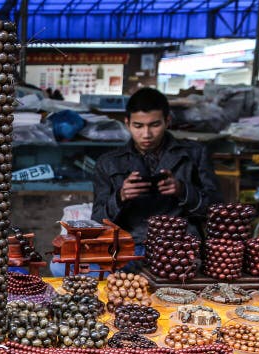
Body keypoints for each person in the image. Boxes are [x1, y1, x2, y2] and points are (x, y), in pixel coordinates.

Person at [91, 87, 223, 244]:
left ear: (167, 121)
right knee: (60, 266)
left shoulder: (194, 154)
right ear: (127, 124)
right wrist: (120, 197)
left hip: (180, 243)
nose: (146, 134)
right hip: (130, 244)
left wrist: (183, 190)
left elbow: (216, 210)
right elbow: (98, 220)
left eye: (154, 125)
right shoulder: (108, 162)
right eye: (138, 126)